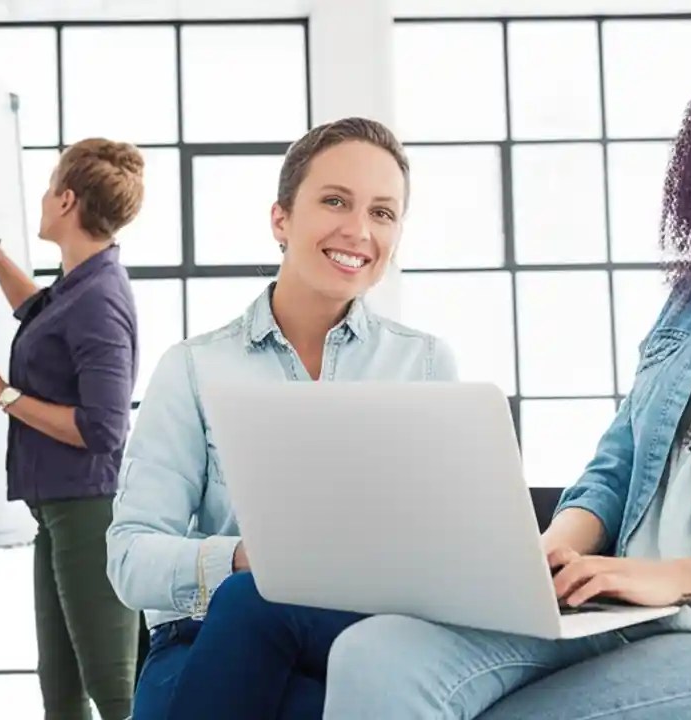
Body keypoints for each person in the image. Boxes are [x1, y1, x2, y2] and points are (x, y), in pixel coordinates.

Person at [321, 2, 691, 718]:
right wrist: (548, 557)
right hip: (622, 611)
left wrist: (676, 577)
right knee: (375, 656)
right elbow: (617, 467)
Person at [104, 116, 459, 720]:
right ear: (281, 220)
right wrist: (243, 559)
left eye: (382, 212)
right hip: (205, 637)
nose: (358, 230)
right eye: (334, 201)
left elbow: (456, 548)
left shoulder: (424, 363)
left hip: (364, 641)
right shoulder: (195, 368)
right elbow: (131, 559)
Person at [0, 138, 145, 720]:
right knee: (60, 692)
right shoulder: (82, 283)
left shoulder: (100, 298)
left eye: (51, 183)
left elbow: (104, 428)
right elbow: (39, 312)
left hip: (89, 512)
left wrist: (1, 392)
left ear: (67, 200)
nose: (44, 194)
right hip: (57, 510)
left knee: (114, 694)